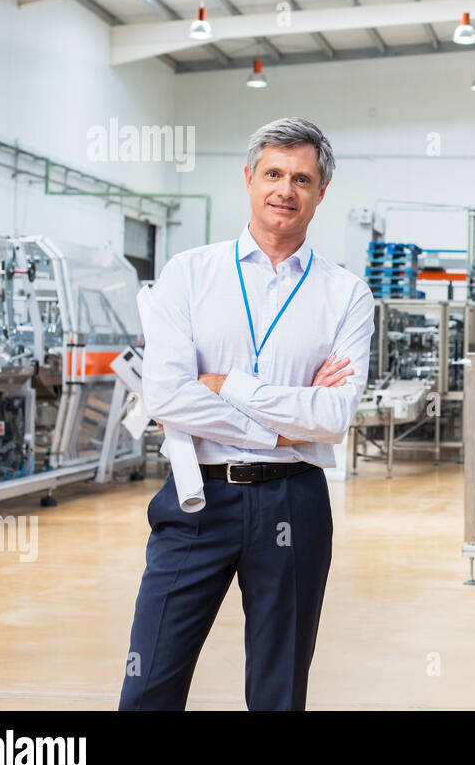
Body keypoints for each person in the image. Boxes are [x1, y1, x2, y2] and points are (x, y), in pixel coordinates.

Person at [119, 117, 374, 710]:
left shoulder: (345, 293)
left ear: (321, 191)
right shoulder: (189, 273)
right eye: (274, 174)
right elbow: (166, 395)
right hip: (196, 500)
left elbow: (333, 415)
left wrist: (223, 384)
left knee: (278, 691)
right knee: (149, 681)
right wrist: (280, 425)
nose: (285, 189)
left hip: (294, 502)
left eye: (302, 178)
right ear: (249, 178)